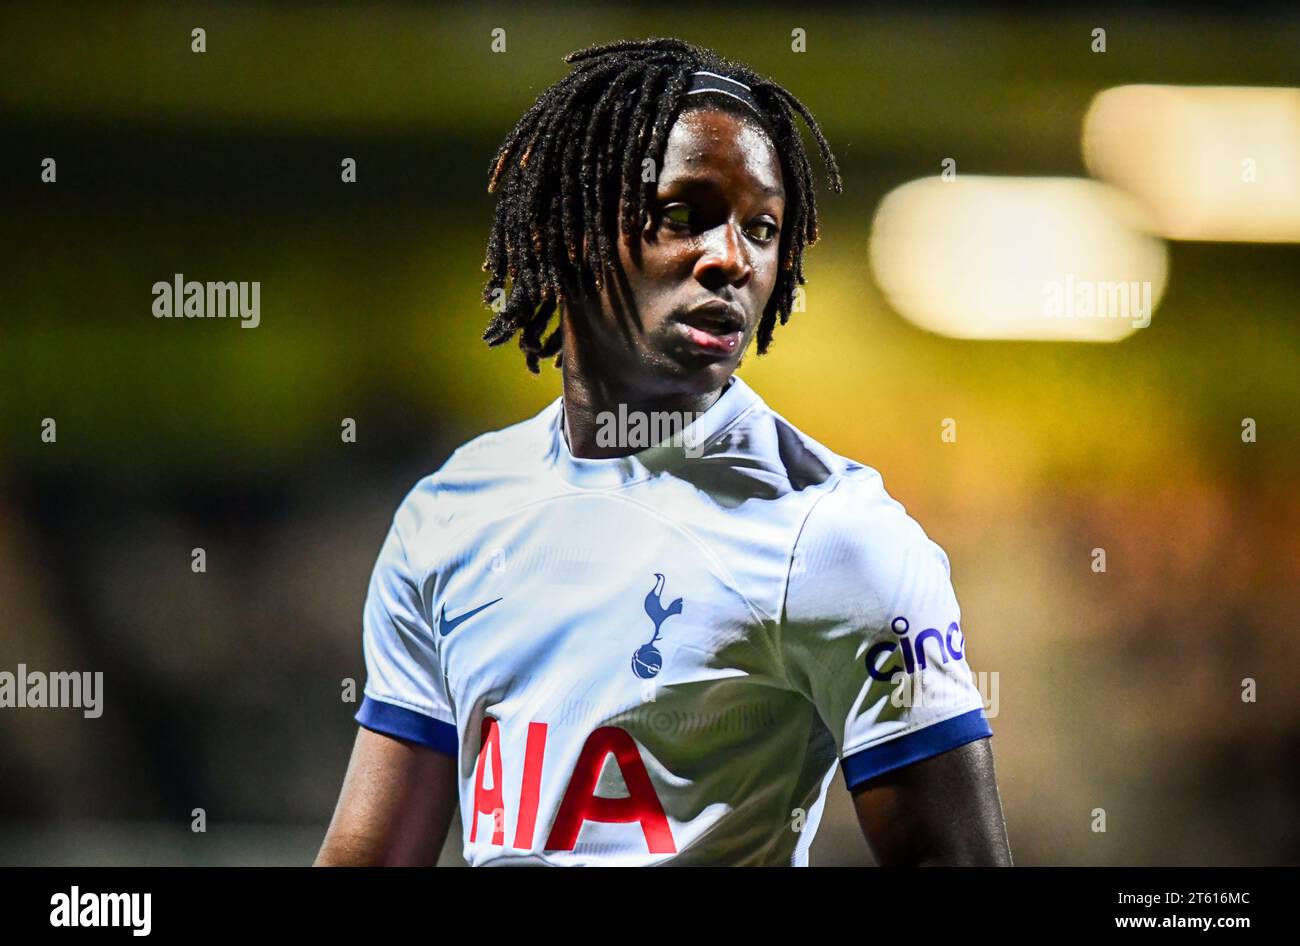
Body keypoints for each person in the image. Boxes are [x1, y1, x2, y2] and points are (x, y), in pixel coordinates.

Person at [317, 37, 1012, 866]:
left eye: (763, 228)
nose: (733, 258)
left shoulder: (835, 535)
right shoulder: (449, 516)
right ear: (564, 229)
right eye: (686, 213)